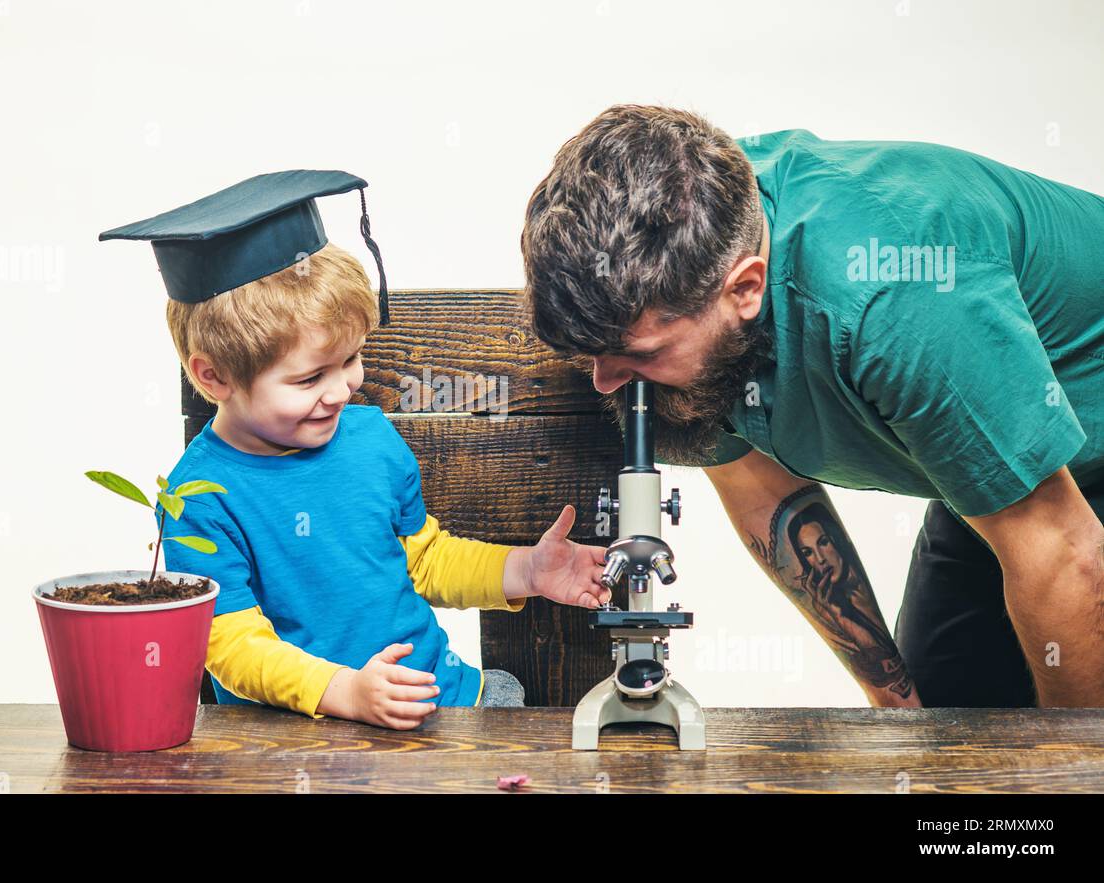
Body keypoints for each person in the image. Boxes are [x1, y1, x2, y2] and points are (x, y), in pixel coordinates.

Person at [521, 105, 1104, 708]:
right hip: (1007, 489)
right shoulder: (696, 245)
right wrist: (893, 706)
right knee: (933, 732)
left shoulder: (896, 300)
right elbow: (757, 487)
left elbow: (1062, 549)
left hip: (1068, 502)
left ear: (746, 289)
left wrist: (1066, 763)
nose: (605, 382)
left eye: (637, 354)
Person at [101, 170, 609, 729]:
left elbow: (423, 561)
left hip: (439, 698)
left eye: (350, 360)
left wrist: (526, 570)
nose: (342, 389)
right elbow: (233, 647)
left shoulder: (371, 438)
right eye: (309, 378)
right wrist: (345, 692)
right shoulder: (198, 499)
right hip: (303, 736)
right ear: (214, 376)